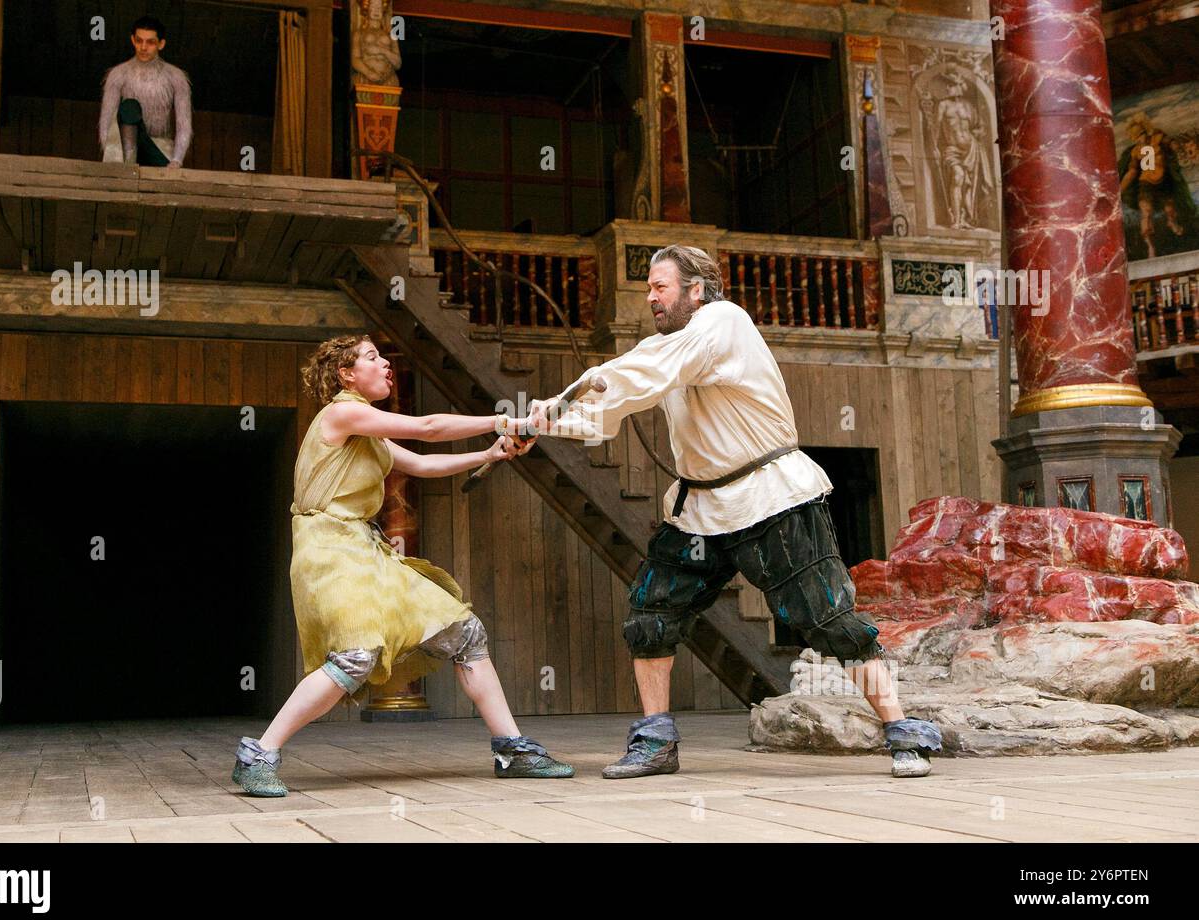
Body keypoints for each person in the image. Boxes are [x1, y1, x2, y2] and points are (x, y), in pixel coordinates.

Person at [528, 245, 943, 780]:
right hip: (698, 507)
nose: (651, 297)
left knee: (828, 618)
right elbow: (613, 407)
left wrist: (565, 395)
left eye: (661, 286)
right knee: (651, 614)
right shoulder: (669, 349)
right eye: (649, 288)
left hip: (771, 497)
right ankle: (655, 739)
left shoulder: (724, 322)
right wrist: (541, 424)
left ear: (695, 290)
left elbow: (639, 374)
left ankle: (900, 729)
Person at [232, 335, 573, 796]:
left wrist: (491, 452)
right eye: (372, 357)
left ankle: (514, 751)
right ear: (346, 374)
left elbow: (421, 463)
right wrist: (506, 419)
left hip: (363, 549)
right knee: (354, 658)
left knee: (464, 631)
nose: (386, 364)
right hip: (328, 550)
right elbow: (429, 426)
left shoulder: (369, 434)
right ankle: (258, 755)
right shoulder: (342, 413)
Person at [97, 15, 192, 167]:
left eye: (150, 42)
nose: (143, 47)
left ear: (161, 44)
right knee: (129, 106)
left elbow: (184, 125)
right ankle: (128, 166)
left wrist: (177, 160)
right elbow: (105, 123)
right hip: (125, 150)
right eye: (139, 40)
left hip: (160, 151)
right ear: (133, 40)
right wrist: (112, 155)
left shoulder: (176, 77)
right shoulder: (118, 74)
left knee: (130, 107)